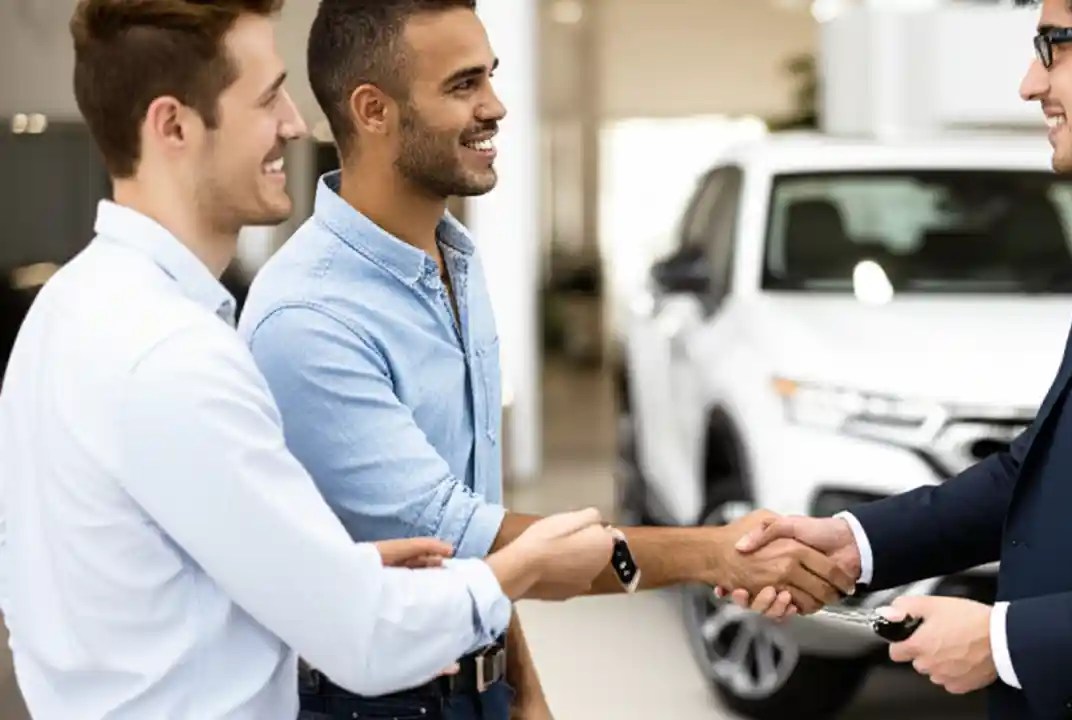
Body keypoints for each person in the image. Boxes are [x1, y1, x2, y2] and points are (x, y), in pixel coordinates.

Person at [237, 1, 857, 718]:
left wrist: (522, 689)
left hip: (475, 686)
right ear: (374, 110)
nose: (496, 106)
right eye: (464, 85)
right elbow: (468, 536)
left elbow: (477, 538)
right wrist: (712, 553)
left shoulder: (453, 265)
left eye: (491, 77)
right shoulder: (310, 322)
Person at [0, 2, 619, 718]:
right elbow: (364, 640)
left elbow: (149, 574)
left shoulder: (67, 309)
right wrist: (522, 568)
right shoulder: (175, 358)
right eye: (267, 98)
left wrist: (342, 570)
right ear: (173, 126)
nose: (295, 123)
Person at [729, 0, 1072, 718]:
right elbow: (1048, 465)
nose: (1029, 83)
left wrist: (1004, 640)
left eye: (1052, 46)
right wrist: (854, 545)